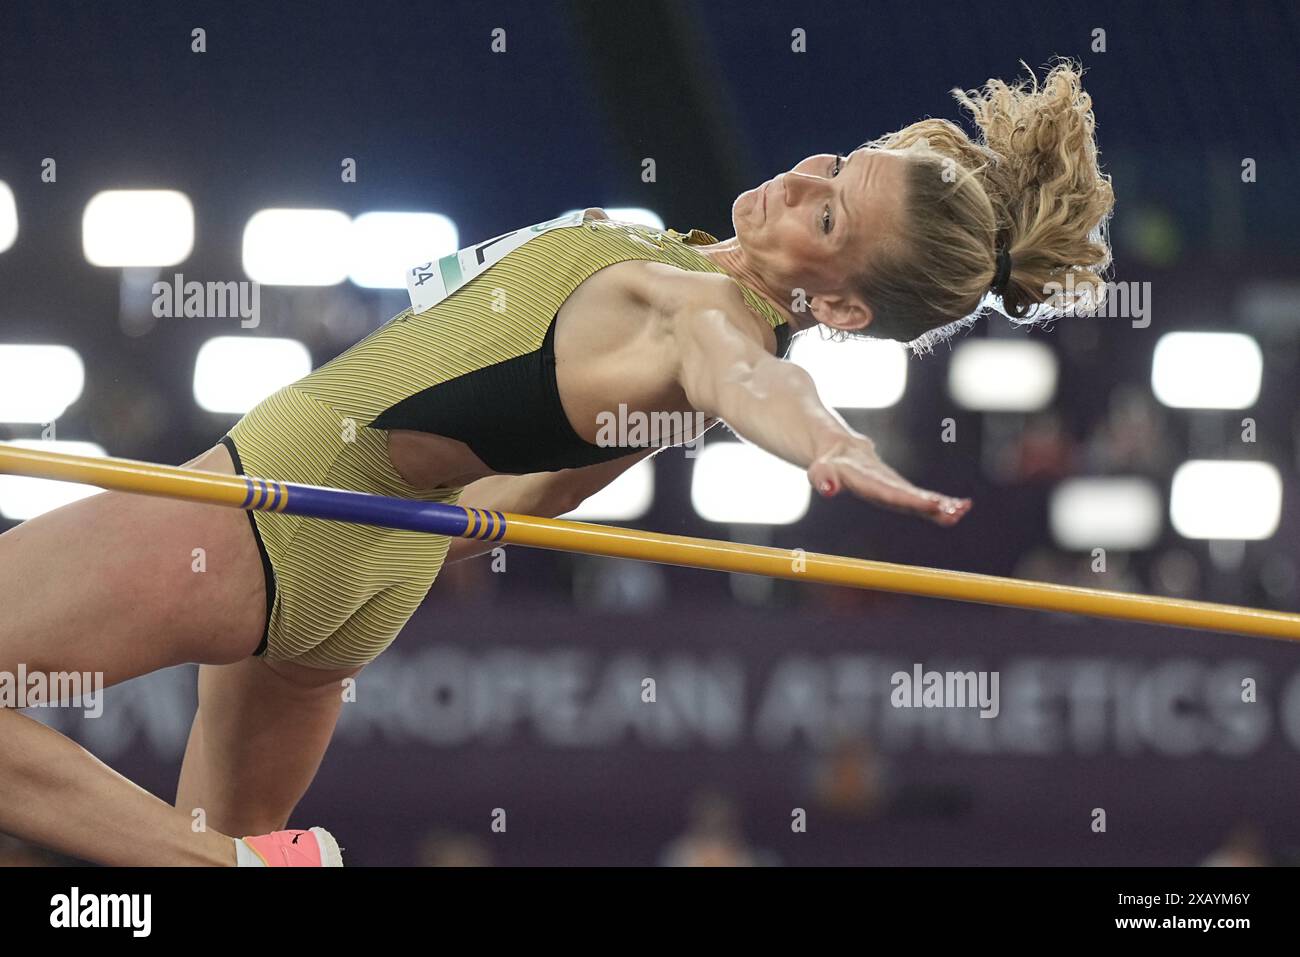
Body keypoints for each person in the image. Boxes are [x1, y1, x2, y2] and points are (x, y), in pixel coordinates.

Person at [0, 58, 1112, 866]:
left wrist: (825, 440)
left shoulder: (703, 312)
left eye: (825, 214)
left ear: (838, 303)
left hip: (285, 508)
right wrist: (484, 508)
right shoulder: (674, 281)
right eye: (835, 166)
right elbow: (538, 490)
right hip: (369, 573)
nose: (794, 181)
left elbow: (752, 379)